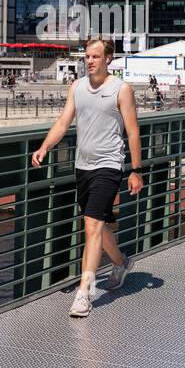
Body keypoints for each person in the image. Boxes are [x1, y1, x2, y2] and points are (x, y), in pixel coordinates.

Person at [31, 36, 143, 318]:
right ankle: (120, 262)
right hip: (83, 167)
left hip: (109, 165)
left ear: (108, 59)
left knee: (91, 225)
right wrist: (44, 147)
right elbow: (63, 122)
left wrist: (136, 170)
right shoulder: (77, 87)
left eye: (95, 56)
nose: (90, 61)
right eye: (87, 57)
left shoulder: (121, 89)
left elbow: (132, 131)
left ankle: (85, 292)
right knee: (101, 227)